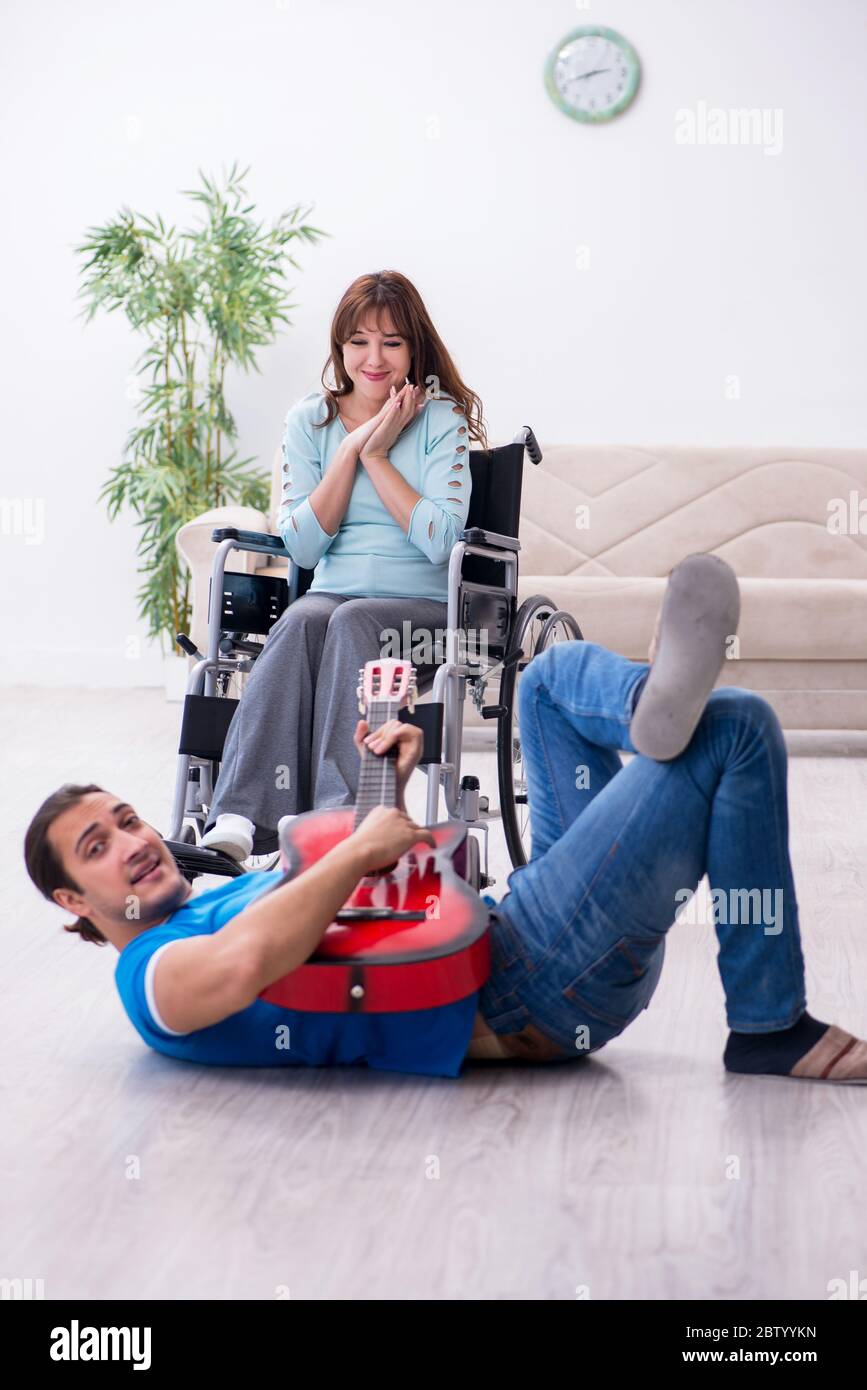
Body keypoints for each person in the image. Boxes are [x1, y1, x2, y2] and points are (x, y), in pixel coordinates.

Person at [24, 555, 867, 1082]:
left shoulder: (215, 893)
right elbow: (250, 959)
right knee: (738, 725)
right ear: (73, 901)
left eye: (129, 819)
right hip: (527, 988)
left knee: (544, 683)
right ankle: (768, 1026)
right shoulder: (155, 982)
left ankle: (647, 704)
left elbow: (372, 910)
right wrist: (356, 856)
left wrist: (384, 782)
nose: (134, 842)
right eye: (98, 847)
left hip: (515, 921)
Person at [199, 268, 486, 862]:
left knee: (350, 619)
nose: (373, 358)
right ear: (340, 347)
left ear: (415, 347)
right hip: (331, 605)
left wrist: (378, 455)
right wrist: (351, 449)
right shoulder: (310, 421)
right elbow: (302, 550)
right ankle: (238, 819)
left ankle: (337, 821)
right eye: (359, 341)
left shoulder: (442, 422)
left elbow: (440, 540)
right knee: (303, 619)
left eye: (392, 342)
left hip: (423, 617)